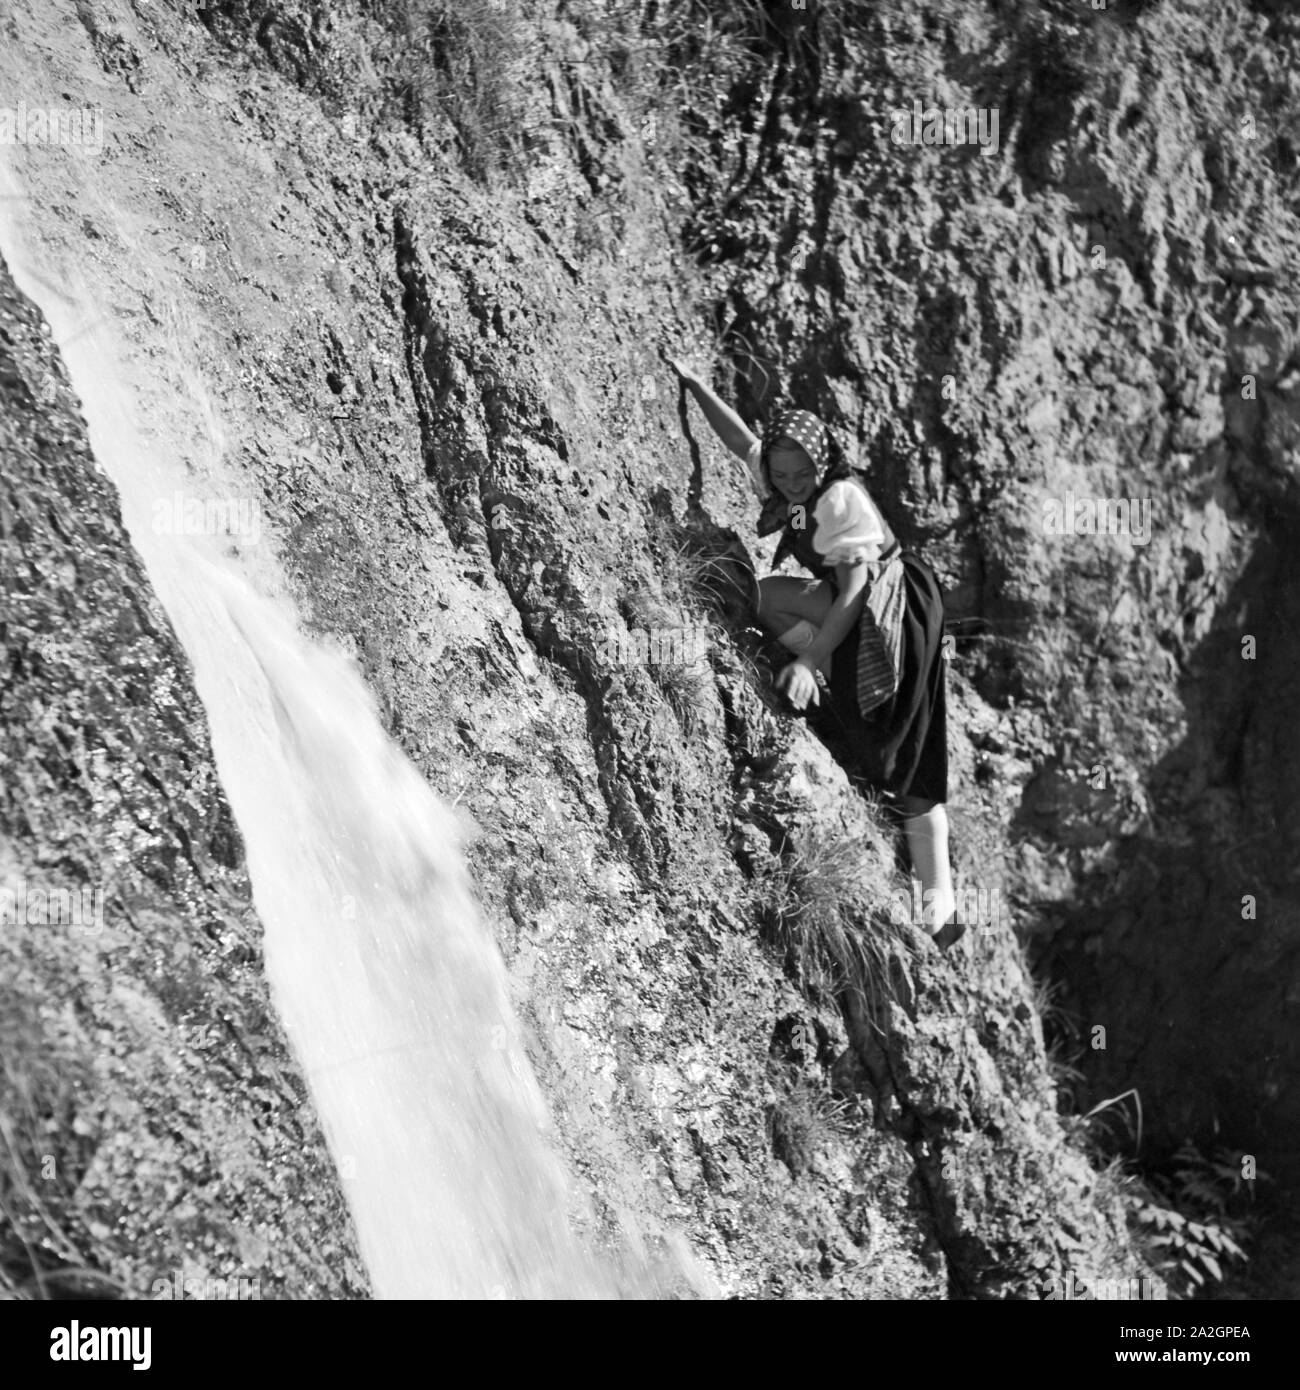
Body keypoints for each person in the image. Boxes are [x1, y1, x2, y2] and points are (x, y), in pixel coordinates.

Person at [668, 358, 962, 949]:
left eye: (801, 474)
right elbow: (741, 442)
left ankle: (941, 907)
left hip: (894, 614)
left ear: (820, 462)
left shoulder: (839, 499)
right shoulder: (781, 475)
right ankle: (830, 676)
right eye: (782, 476)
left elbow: (854, 591)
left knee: (905, 752)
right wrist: (696, 385)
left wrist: (804, 660)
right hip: (856, 604)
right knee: (767, 597)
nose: (792, 485)